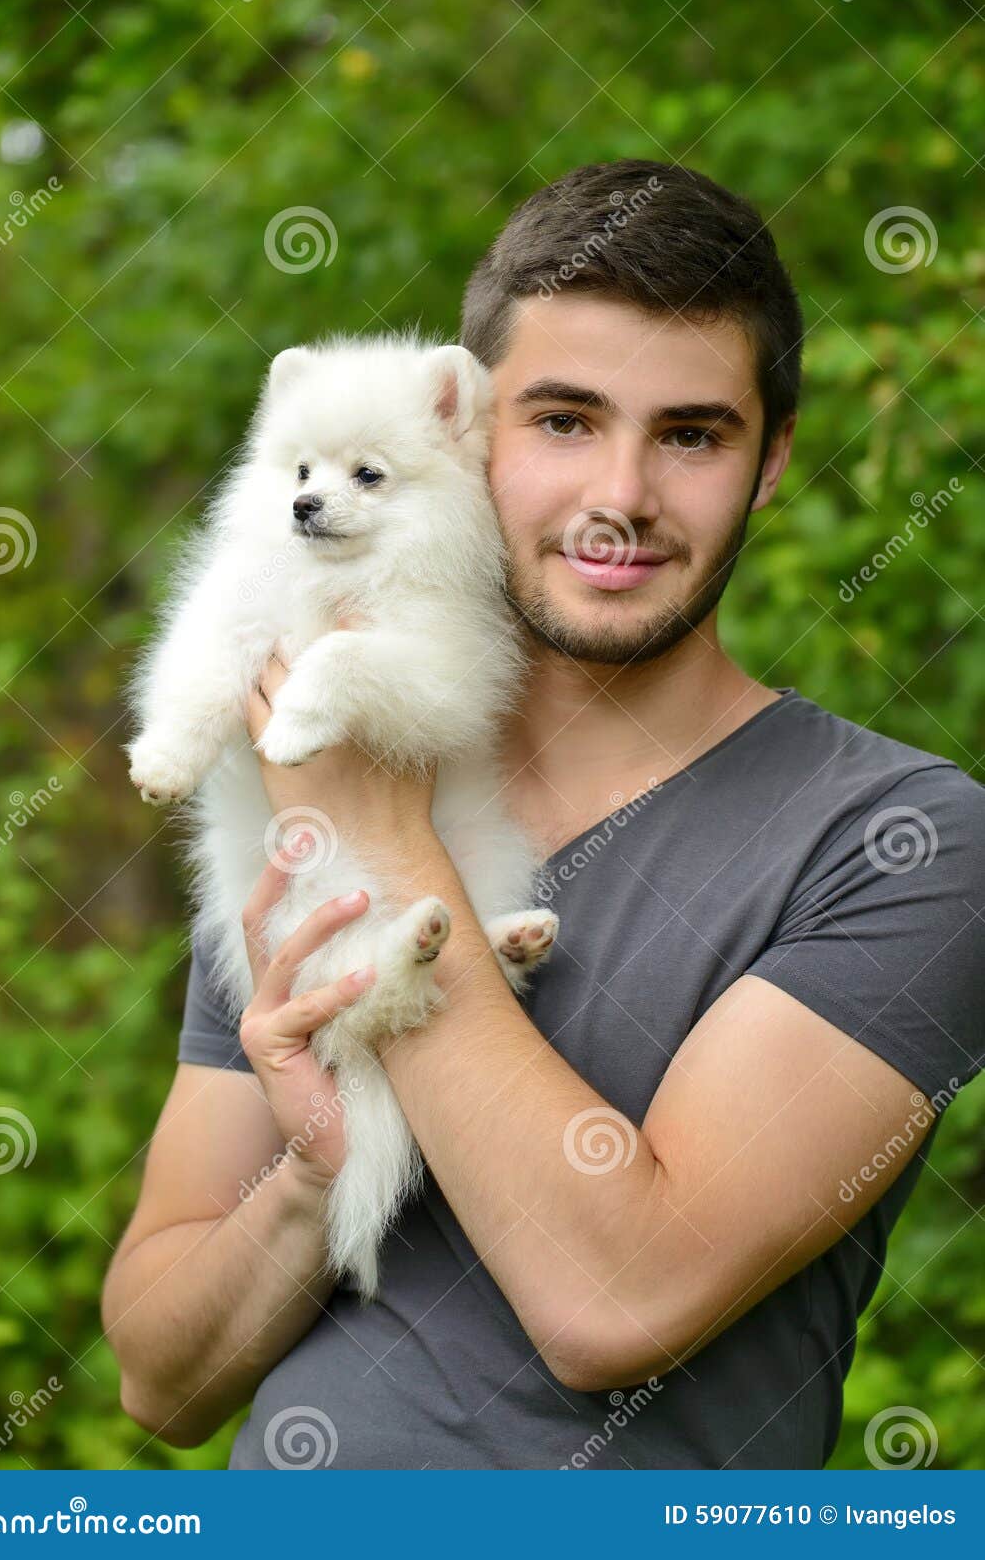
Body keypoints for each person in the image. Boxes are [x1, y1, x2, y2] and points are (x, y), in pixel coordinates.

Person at [102, 159, 984, 1469]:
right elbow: (160, 1378)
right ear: (473, 437)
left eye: (692, 435)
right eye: (565, 421)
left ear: (772, 461)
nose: (621, 495)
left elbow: (614, 1305)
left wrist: (385, 838)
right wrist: (316, 1177)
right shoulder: (299, 779)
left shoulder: (904, 844)